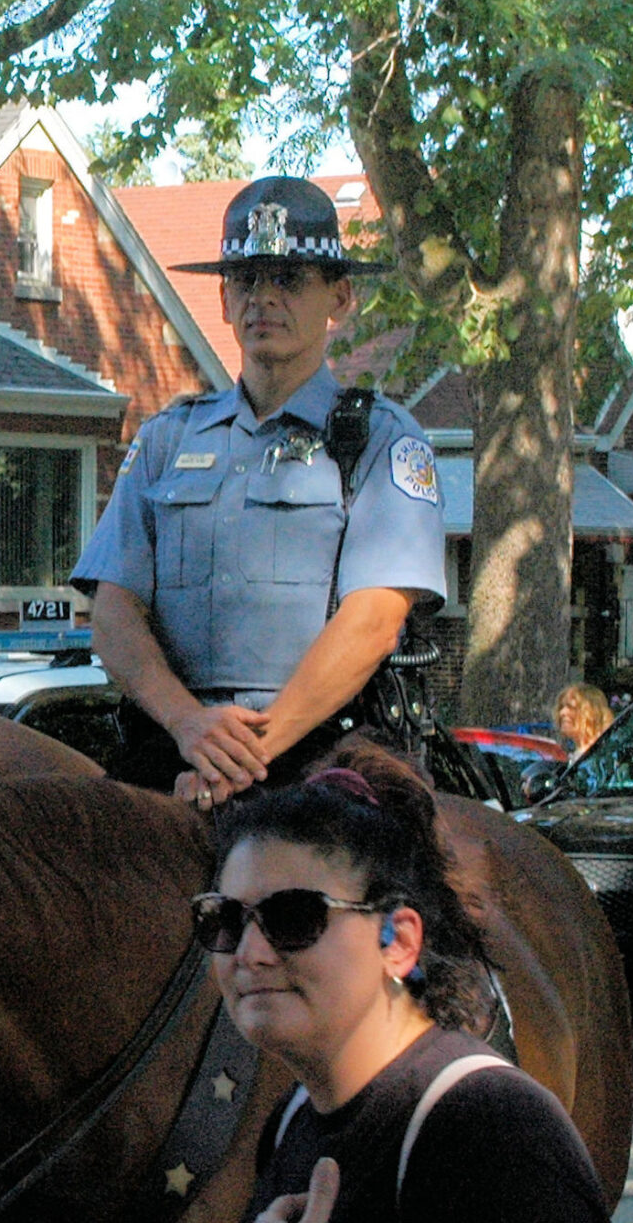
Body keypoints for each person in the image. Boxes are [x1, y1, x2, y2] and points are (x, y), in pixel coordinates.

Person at [203, 747, 609, 1223]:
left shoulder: (492, 1130)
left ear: (399, 940)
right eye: (225, 921)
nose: (251, 952)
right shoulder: (296, 1117)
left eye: (294, 917)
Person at [71, 176, 445, 809]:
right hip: (176, 743)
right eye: (246, 281)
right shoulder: (167, 438)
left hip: (329, 756)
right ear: (222, 300)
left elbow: (376, 621)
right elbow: (113, 614)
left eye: (291, 279)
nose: (263, 298)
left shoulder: (380, 441)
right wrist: (190, 725)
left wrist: (249, 755)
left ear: (341, 297)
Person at [554, 683, 613, 758]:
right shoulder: (576, 755)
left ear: (591, 712)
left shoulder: (603, 754)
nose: (562, 712)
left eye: (571, 707)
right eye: (561, 707)